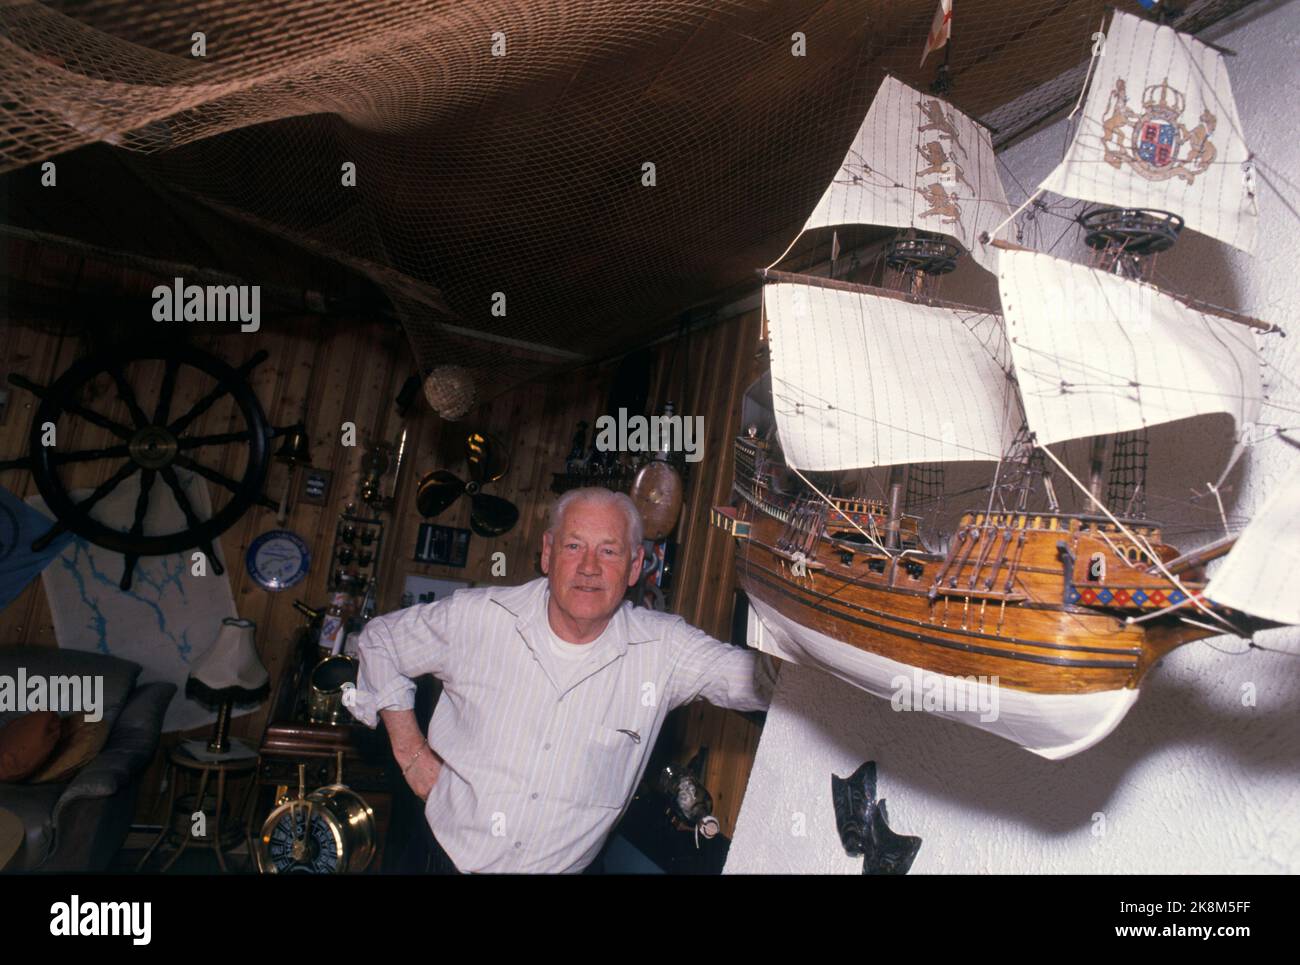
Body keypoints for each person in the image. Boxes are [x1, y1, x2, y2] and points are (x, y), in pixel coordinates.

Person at [346, 487, 776, 873]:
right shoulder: (477, 619)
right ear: (548, 553)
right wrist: (413, 754)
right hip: (439, 860)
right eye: (574, 546)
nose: (589, 567)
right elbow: (381, 641)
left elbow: (754, 683)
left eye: (609, 551)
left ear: (634, 566)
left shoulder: (666, 650)